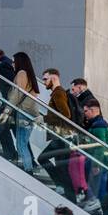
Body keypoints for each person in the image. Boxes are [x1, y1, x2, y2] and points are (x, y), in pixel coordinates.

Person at [36, 69, 77, 198]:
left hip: (61, 137)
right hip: (62, 136)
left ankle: (65, 189)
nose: (43, 82)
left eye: (45, 79)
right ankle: (67, 192)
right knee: (62, 167)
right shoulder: (57, 93)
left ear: (53, 79)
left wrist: (44, 119)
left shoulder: (58, 93)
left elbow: (65, 114)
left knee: (44, 159)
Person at [3, 52, 40, 173]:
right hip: (30, 112)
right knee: (23, 142)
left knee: (21, 143)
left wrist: (7, 109)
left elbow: (17, 93)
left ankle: (28, 169)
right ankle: (29, 167)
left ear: (20, 61)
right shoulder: (29, 74)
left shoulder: (21, 73)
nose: (12, 64)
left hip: (23, 111)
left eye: (14, 61)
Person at [79, 99, 108, 214]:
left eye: (86, 111)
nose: (85, 114)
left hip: (99, 162)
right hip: (99, 161)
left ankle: (99, 209)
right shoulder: (97, 123)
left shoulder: (99, 125)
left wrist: (96, 164)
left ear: (92, 110)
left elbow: (100, 146)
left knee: (100, 188)